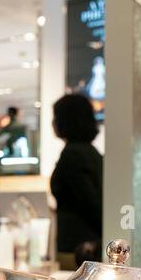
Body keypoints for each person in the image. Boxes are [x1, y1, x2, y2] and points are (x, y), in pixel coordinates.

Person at [49, 93, 102, 267]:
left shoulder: (72, 154)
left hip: (78, 249)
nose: (53, 123)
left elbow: (90, 202)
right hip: (86, 245)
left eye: (56, 117)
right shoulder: (89, 152)